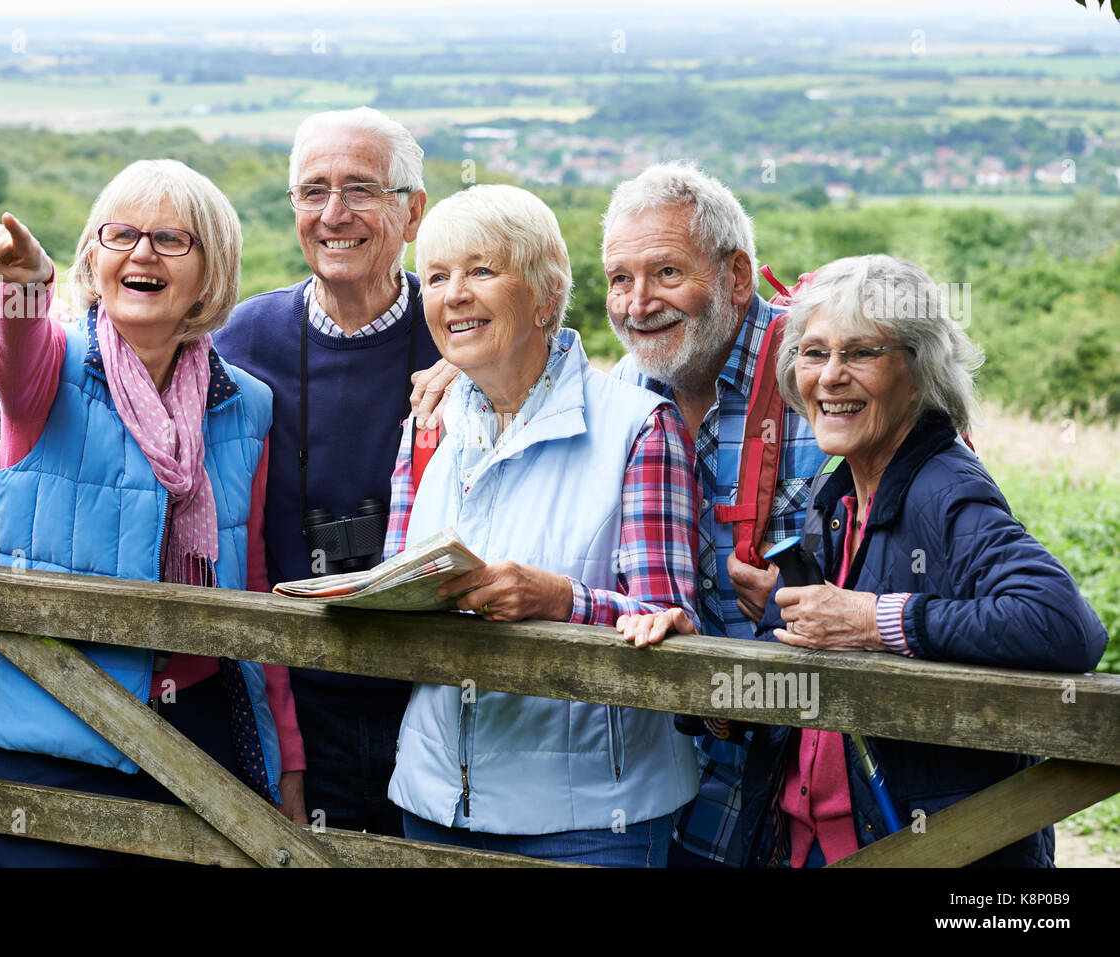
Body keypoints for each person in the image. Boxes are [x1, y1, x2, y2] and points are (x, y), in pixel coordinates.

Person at [619, 254, 1109, 867]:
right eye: (814, 353)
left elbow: (1064, 624)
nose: (829, 377)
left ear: (921, 370)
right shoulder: (840, 496)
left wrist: (876, 621)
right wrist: (722, 703)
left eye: (862, 353)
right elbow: (822, 668)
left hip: (929, 850)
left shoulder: (945, 486)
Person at [412, 161, 826, 865]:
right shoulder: (632, 384)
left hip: (828, 746)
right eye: (619, 280)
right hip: (693, 753)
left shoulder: (824, 378)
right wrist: (481, 357)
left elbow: (924, 525)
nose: (638, 303)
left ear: (736, 277)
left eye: (667, 273)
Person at [0, 159, 304, 866]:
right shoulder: (49, 371)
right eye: (120, 234)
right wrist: (24, 284)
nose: (142, 252)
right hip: (50, 732)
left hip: (200, 729)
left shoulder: (247, 403)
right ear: (94, 255)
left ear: (211, 274)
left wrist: (286, 756)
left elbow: (254, 583)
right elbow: (14, 338)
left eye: (171, 239)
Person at [385, 183, 699, 867]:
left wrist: (561, 600)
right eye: (436, 276)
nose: (454, 294)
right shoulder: (426, 425)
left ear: (546, 297)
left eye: (481, 270)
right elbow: (397, 583)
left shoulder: (638, 428)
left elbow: (669, 623)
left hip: (592, 821)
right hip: (434, 800)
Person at [213, 108, 440, 837]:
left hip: (442, 692)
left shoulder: (459, 328)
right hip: (299, 696)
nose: (333, 214)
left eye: (359, 190)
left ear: (412, 211)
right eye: (313, 192)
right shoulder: (246, 336)